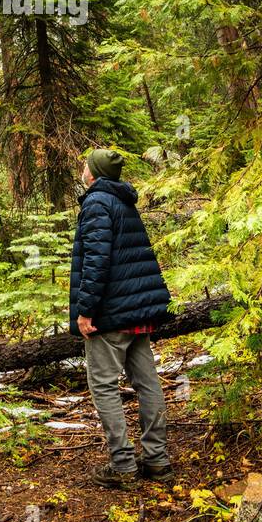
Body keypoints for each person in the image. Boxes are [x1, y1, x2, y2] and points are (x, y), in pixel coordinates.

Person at [69, 148, 174, 487]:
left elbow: (96, 261)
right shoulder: (123, 201)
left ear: (94, 173)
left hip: (110, 314)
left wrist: (86, 311)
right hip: (136, 311)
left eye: (86, 165)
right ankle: (157, 459)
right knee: (146, 382)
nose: (82, 169)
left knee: (103, 385)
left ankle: (123, 465)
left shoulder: (97, 202)